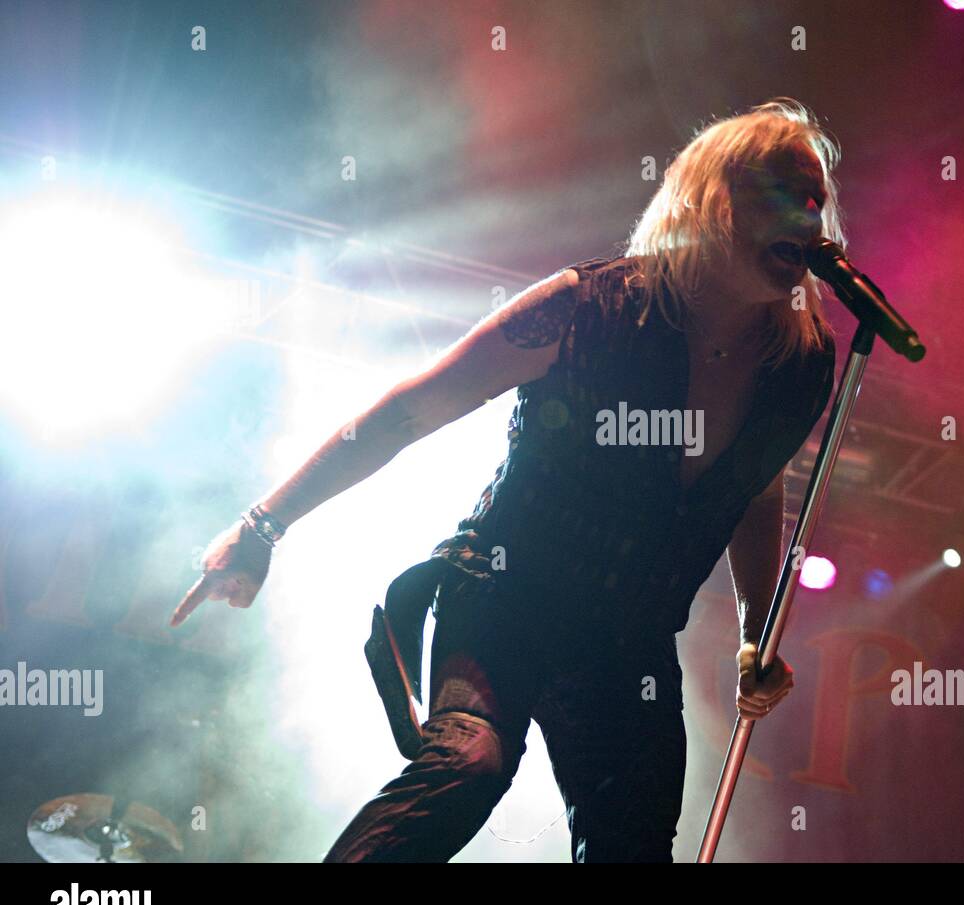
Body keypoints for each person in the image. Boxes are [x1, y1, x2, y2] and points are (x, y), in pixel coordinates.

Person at [170, 98, 846, 862]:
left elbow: (754, 490)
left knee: (633, 847)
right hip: (505, 594)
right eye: (782, 192)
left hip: (628, 646)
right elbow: (408, 412)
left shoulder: (801, 364)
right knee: (467, 763)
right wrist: (264, 524)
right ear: (712, 197)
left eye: (817, 198)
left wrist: (757, 630)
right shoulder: (588, 308)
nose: (809, 214)